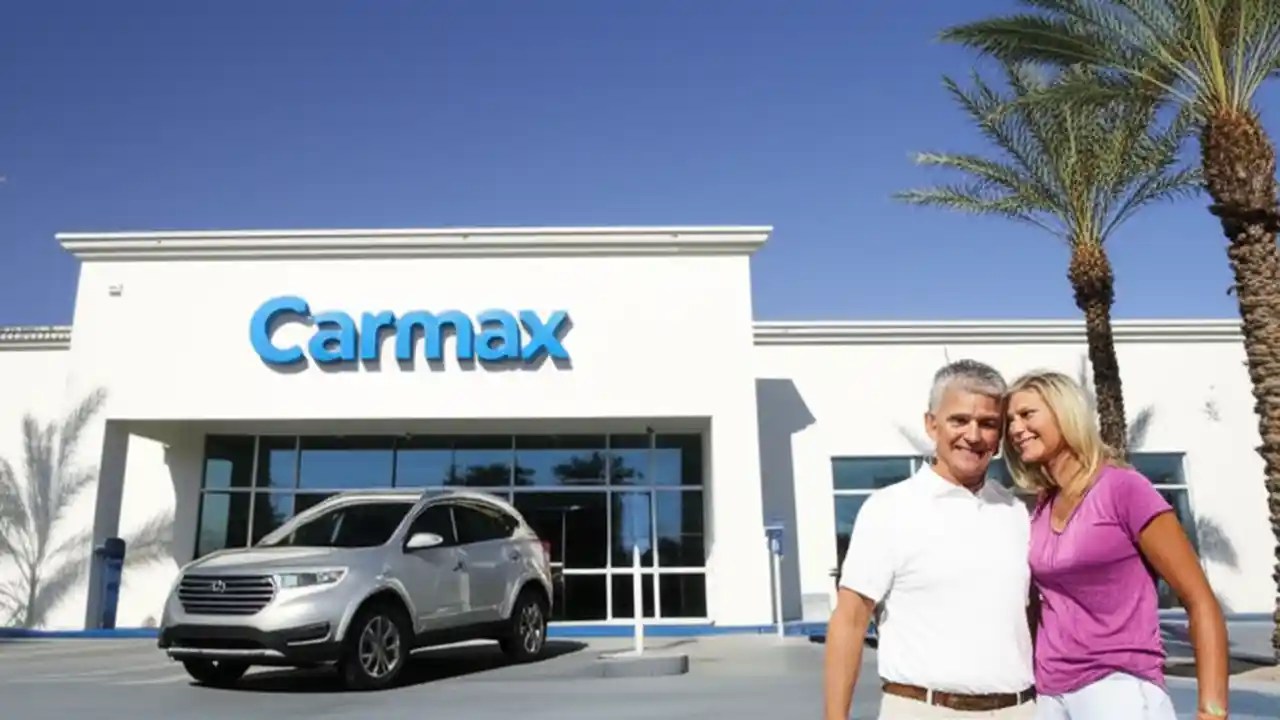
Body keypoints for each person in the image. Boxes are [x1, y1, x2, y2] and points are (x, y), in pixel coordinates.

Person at [1002, 370, 1229, 719]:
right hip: (1051, 691)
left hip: (1118, 686)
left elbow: (1200, 600)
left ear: (1065, 413)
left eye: (1027, 414)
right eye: (1010, 420)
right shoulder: (1043, 507)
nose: (1016, 429)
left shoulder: (1124, 488)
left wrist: (1212, 711)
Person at [824, 359, 1037, 719]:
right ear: (931, 424)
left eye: (988, 424)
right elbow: (850, 620)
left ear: (1000, 436)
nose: (973, 435)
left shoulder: (1018, 512)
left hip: (1019, 710)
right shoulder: (889, 510)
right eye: (959, 420)